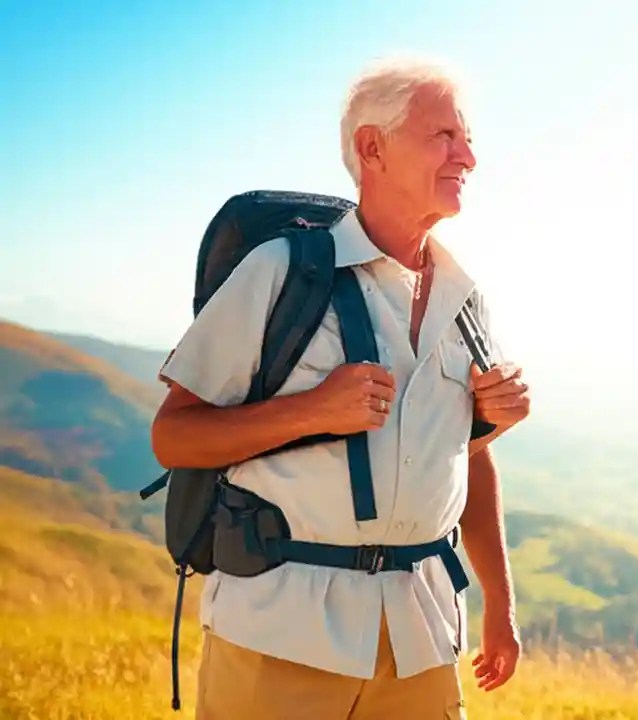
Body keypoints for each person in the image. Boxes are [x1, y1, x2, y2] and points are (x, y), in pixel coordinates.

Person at [151, 58, 529, 719]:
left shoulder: (465, 301)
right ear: (371, 147)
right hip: (280, 640)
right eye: (443, 135)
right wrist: (312, 411)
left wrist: (500, 603)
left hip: (422, 643)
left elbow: (468, 458)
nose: (467, 155)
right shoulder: (282, 273)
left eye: (466, 138)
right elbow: (174, 435)